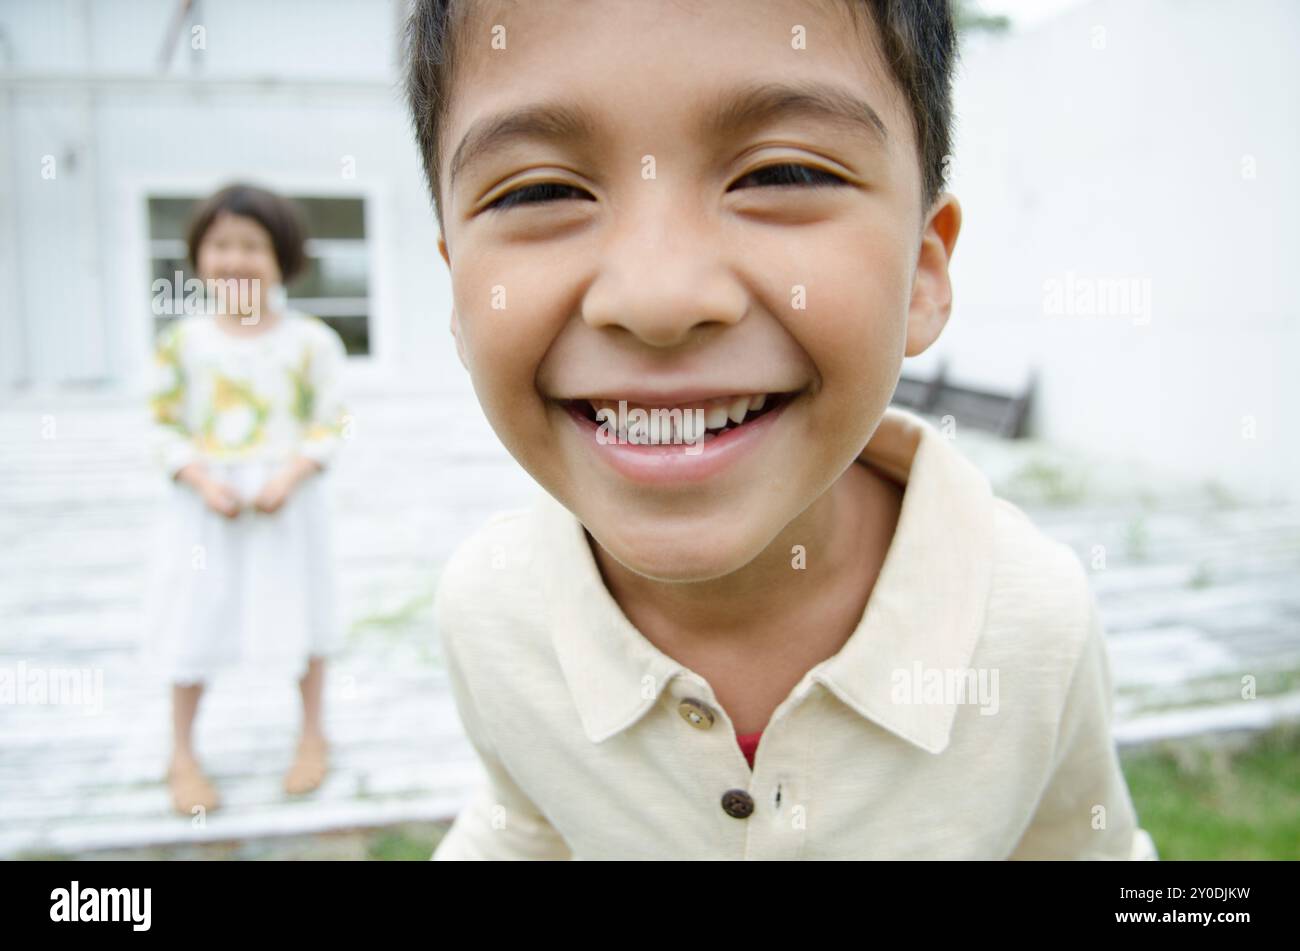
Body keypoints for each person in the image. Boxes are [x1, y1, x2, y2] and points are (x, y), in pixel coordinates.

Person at [405, 0, 1158, 859]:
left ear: (921, 273)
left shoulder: (1033, 622)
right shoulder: (493, 609)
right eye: (541, 190)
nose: (659, 297)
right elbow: (522, 826)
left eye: (782, 176)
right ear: (459, 294)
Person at [140, 183, 351, 816]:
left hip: (288, 504)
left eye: (252, 246)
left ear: (281, 257)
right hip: (208, 507)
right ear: (199, 256)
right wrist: (202, 480)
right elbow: (162, 424)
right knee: (193, 618)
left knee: (304, 614)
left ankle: (312, 735)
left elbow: (332, 420)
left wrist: (291, 475)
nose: (235, 259)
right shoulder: (184, 343)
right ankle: (182, 752)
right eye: (221, 245)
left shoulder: (310, 341)